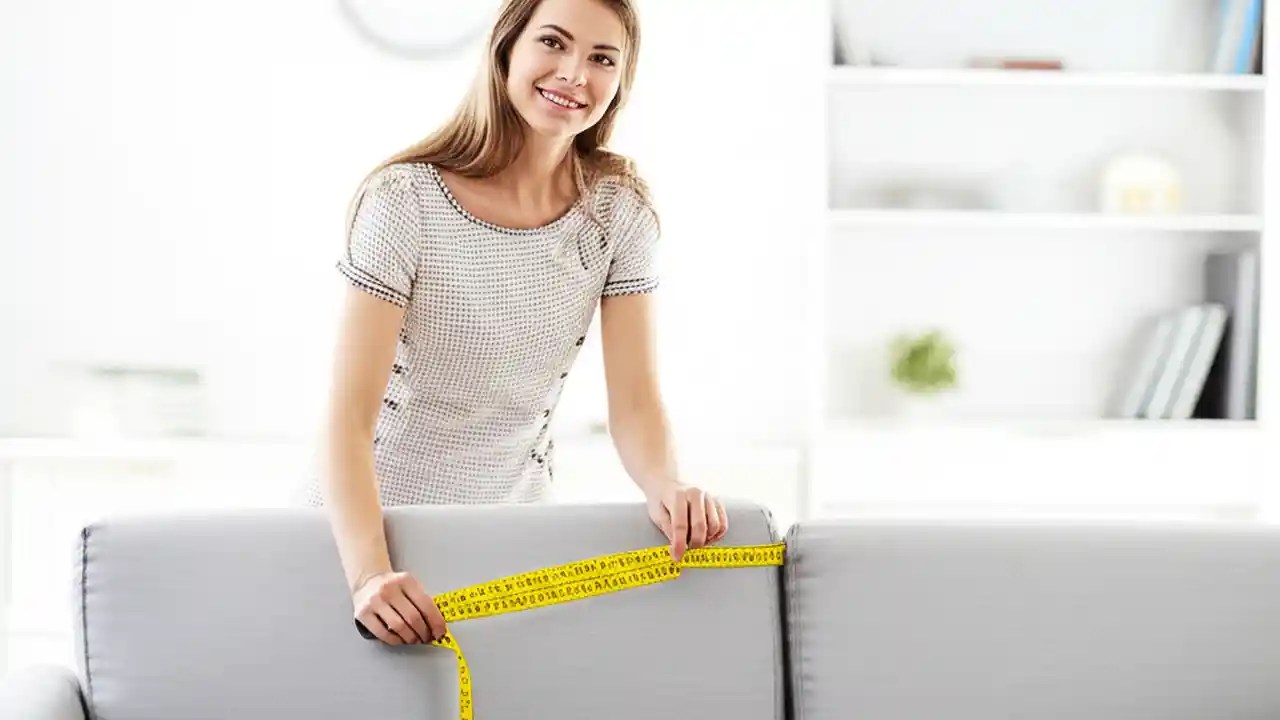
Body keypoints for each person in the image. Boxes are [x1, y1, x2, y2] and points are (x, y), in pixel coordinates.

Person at [300, 0, 729, 647]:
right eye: (553, 43)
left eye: (602, 58)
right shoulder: (403, 200)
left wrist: (667, 483)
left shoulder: (618, 211)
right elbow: (347, 418)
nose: (574, 74)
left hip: (511, 534)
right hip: (365, 541)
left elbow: (636, 401)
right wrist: (368, 575)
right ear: (506, 49)